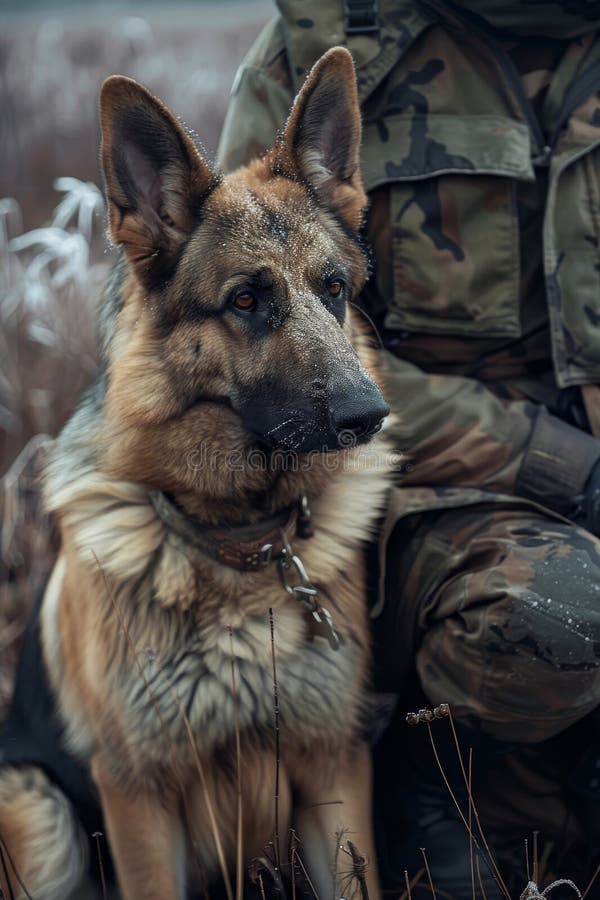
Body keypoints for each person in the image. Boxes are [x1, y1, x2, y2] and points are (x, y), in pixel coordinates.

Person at [217, 2, 600, 896]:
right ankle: (431, 777)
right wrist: (556, 460)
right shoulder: (339, 45)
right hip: (413, 497)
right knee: (568, 609)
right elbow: (248, 340)